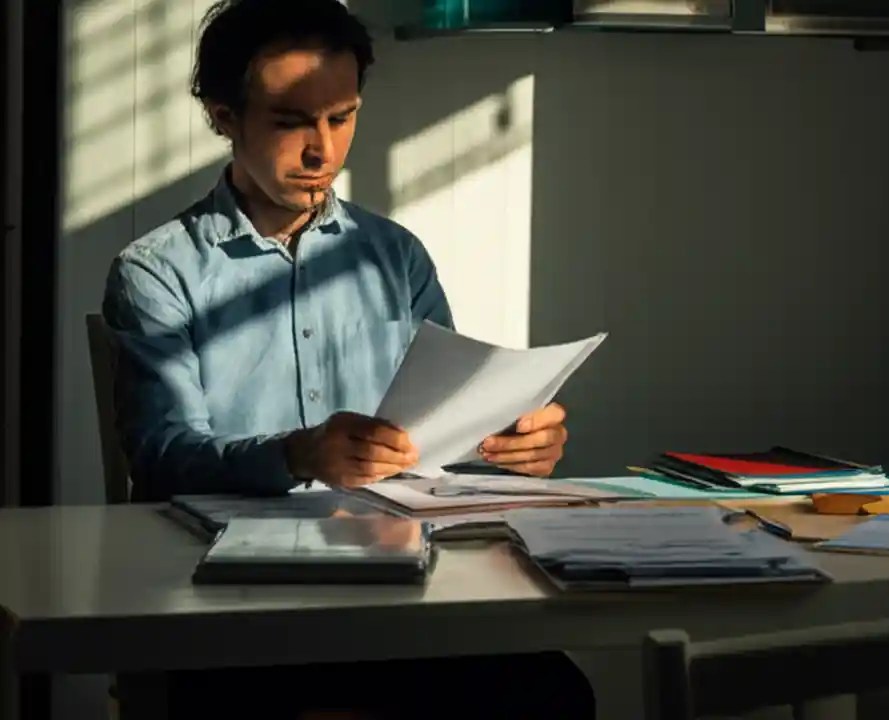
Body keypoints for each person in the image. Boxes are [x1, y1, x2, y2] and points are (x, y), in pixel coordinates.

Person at [101, 1, 592, 717]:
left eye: (342, 117)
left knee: (554, 692)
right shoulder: (157, 273)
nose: (322, 152)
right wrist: (298, 454)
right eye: (292, 121)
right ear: (223, 117)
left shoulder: (393, 257)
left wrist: (511, 439)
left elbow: (439, 425)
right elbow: (163, 456)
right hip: (229, 606)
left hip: (393, 586)